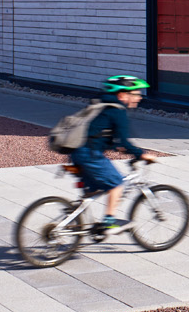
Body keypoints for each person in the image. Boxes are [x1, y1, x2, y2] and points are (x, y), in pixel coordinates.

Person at [72, 76, 170, 231]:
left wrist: (122, 149)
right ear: (123, 95)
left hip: (78, 152)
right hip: (90, 155)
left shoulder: (103, 106)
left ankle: (75, 218)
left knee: (96, 188)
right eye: (136, 94)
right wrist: (141, 154)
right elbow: (123, 142)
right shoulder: (117, 111)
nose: (139, 98)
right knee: (117, 184)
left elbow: (107, 137)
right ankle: (108, 220)